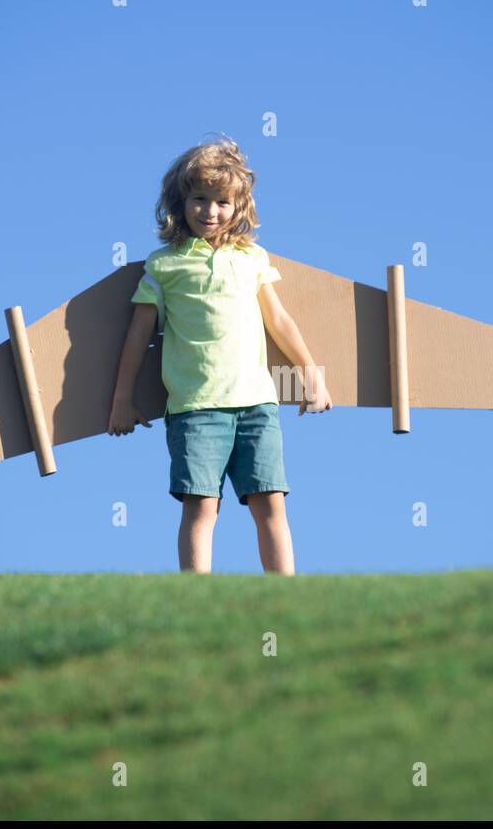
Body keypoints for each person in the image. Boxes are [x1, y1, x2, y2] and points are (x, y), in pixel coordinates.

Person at [108, 135, 331, 575]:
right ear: (180, 203)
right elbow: (137, 337)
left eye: (222, 202)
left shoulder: (251, 258)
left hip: (257, 405)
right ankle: (197, 596)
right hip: (194, 407)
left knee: (270, 503)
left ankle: (284, 592)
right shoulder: (164, 266)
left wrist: (312, 376)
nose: (210, 211)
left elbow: (280, 321)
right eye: (199, 199)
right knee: (201, 507)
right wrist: (121, 399)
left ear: (238, 207)